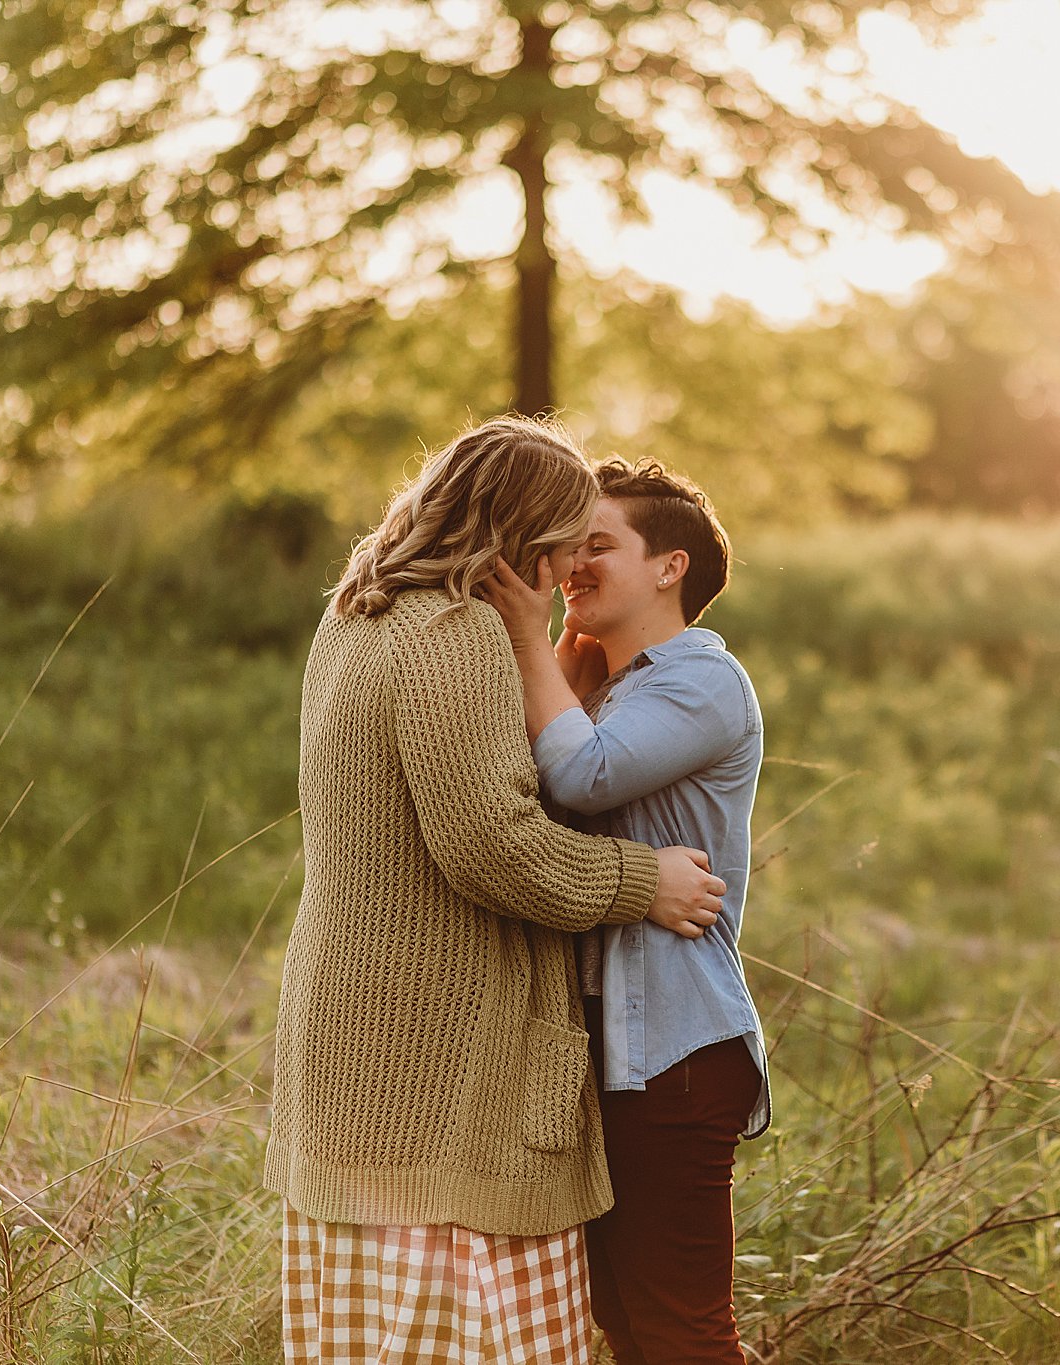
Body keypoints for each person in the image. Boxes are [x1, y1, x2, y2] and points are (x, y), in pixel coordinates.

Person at [262, 416, 728, 1365]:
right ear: (519, 528)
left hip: (356, 1028)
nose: (565, 566)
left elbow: (470, 777)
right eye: (561, 540)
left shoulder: (359, 611)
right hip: (440, 1040)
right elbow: (495, 843)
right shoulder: (455, 630)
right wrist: (645, 881)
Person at [479, 458, 768, 1365]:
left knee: (683, 1330)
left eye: (600, 544)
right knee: (630, 1325)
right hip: (614, 1052)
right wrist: (562, 658)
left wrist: (532, 638)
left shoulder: (702, 681)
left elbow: (583, 775)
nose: (574, 563)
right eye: (572, 547)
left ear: (669, 567)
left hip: (678, 1049)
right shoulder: (599, 682)